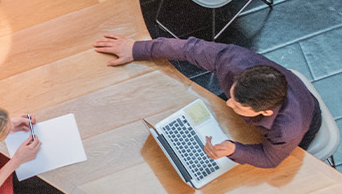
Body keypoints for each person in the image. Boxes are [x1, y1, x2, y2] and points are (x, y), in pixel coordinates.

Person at [92, 35, 320, 168]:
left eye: (238, 105)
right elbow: (188, 49)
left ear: (266, 112)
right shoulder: (234, 61)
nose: (229, 104)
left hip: (302, 126)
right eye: (232, 95)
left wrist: (234, 149)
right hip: (272, 101)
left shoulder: (288, 129)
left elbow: (270, 158)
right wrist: (136, 48)